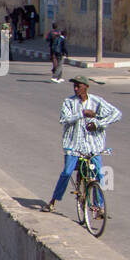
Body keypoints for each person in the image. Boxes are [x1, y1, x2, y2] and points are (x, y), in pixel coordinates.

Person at [45, 76, 121, 212]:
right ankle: (53, 200)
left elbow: (116, 114)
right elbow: (64, 119)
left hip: (93, 147)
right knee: (67, 173)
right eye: (74, 86)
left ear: (86, 87)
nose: (76, 89)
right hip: (73, 146)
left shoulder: (97, 102)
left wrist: (98, 124)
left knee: (98, 175)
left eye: (78, 86)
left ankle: (100, 206)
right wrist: (82, 113)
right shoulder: (69, 102)